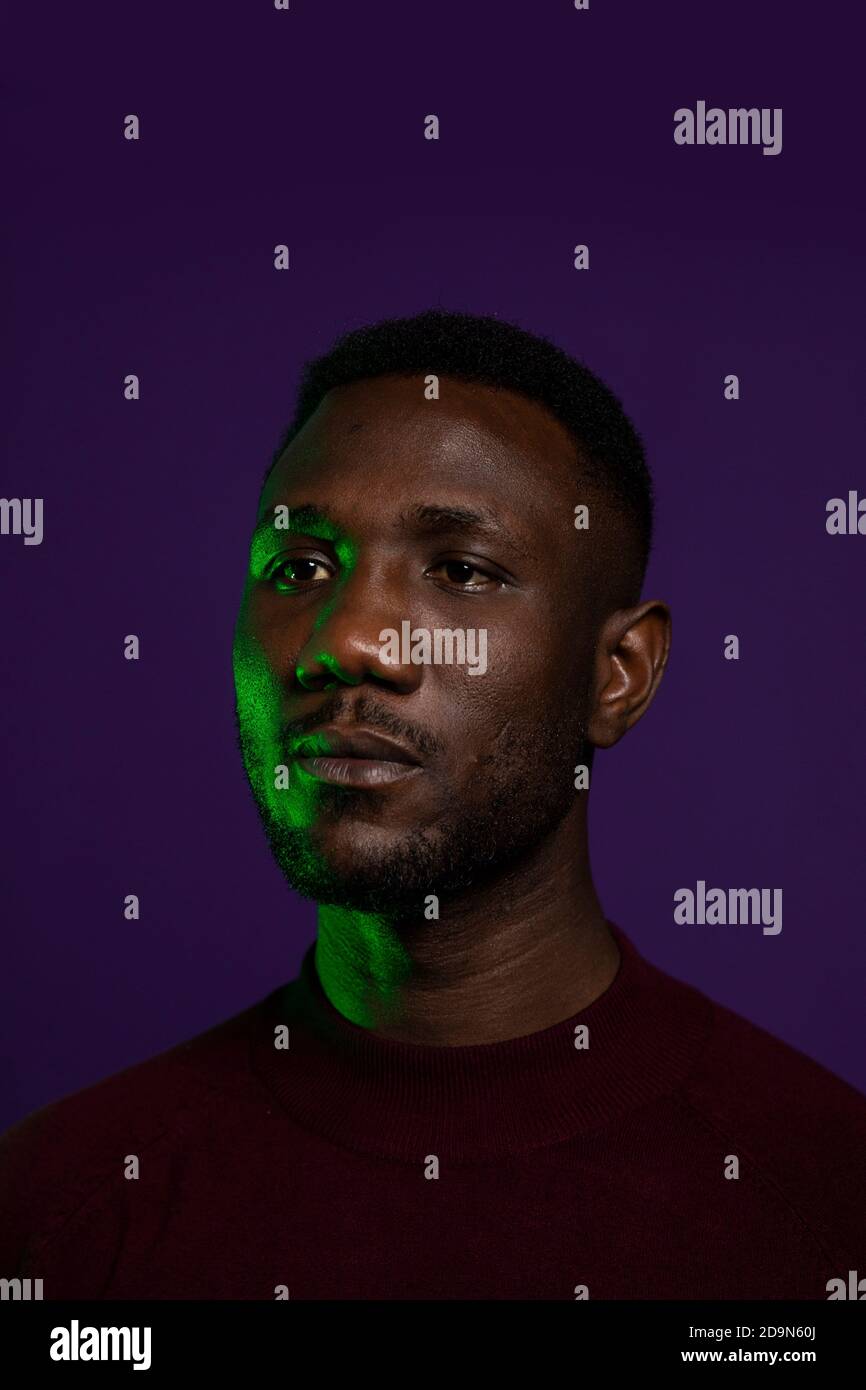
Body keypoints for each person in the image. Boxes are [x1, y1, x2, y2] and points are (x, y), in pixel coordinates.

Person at [1, 309, 864, 1300]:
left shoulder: (825, 1206)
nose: (348, 640)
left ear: (616, 673)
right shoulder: (58, 1211)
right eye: (300, 568)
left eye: (459, 570)